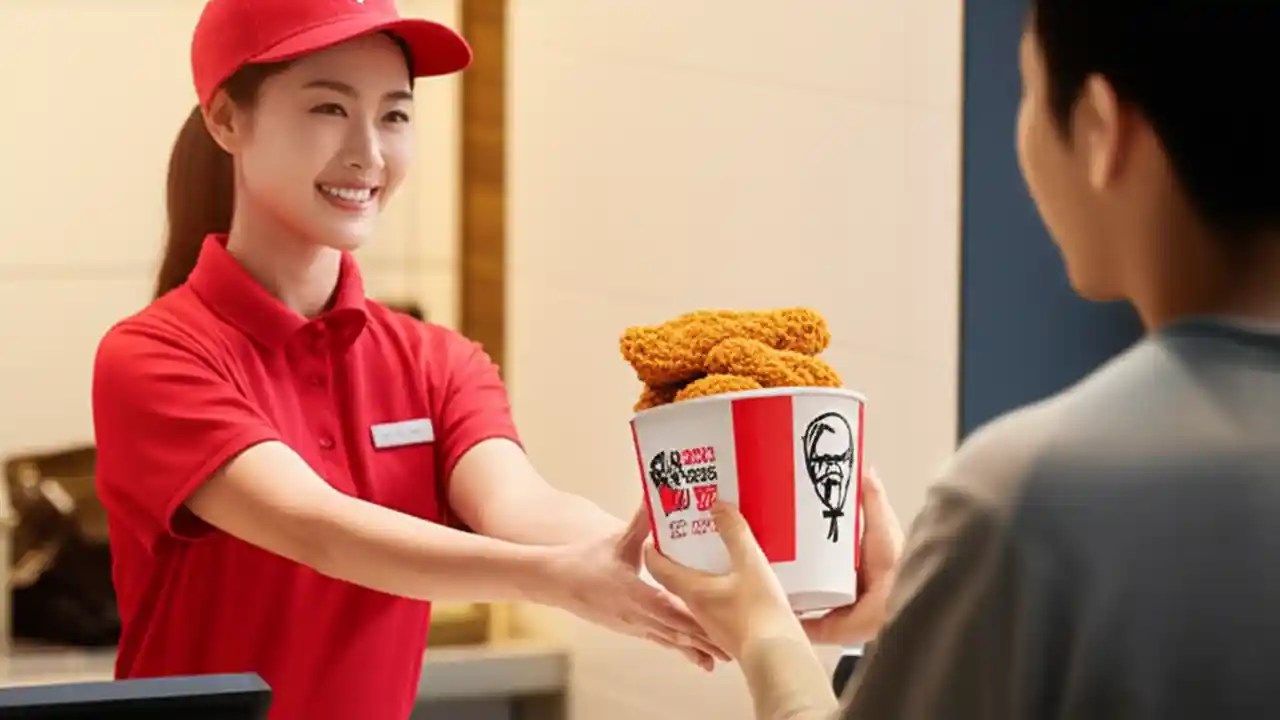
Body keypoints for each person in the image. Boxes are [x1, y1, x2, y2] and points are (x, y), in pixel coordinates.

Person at [89, 2, 725, 719]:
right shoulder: (152, 357)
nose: (368, 153)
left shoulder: (437, 360)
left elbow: (521, 506)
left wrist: (675, 563)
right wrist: (553, 578)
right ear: (227, 121)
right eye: (329, 107)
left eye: (394, 115)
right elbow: (314, 528)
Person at [646, 1, 1280, 718]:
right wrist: (924, 621)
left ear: (1102, 130)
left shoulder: (1031, 497)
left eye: (1030, 93)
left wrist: (765, 636)